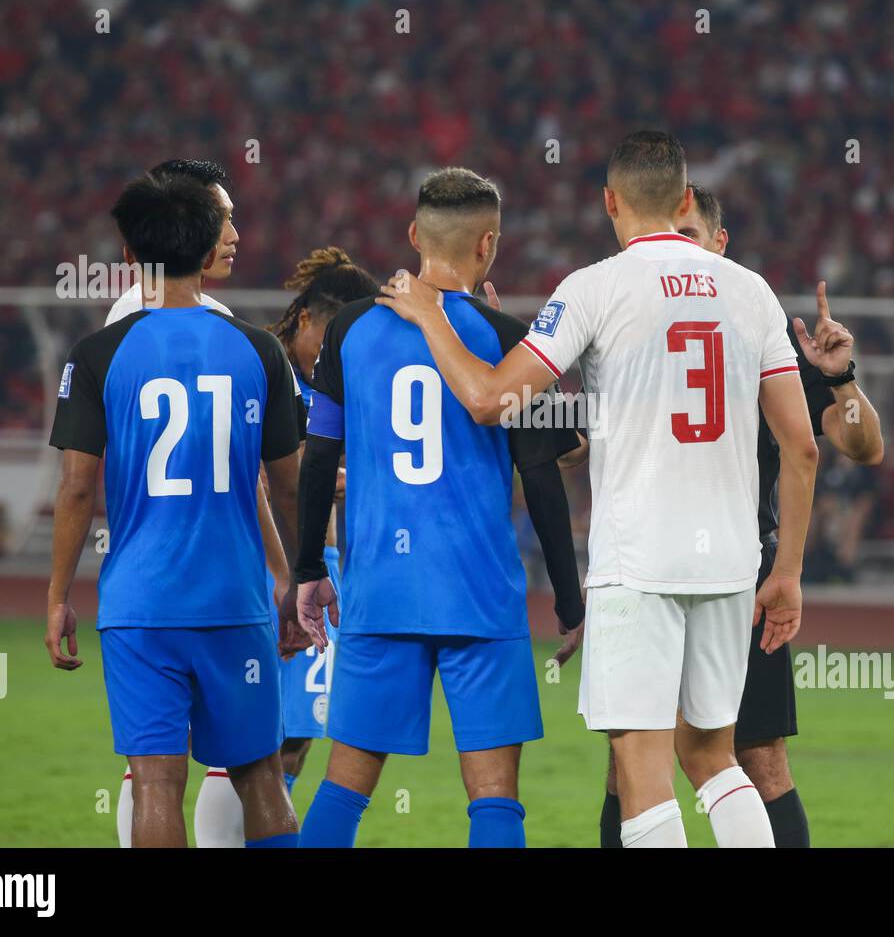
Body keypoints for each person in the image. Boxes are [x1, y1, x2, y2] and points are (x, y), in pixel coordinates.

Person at [376, 132, 818, 848]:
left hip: (638, 563)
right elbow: (800, 445)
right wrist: (789, 570)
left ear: (609, 200)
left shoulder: (594, 288)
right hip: (733, 564)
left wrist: (430, 315)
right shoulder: (751, 291)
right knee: (714, 757)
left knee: (641, 766)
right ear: (683, 201)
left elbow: (492, 401)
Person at [291, 168, 584, 847]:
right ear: (489, 245)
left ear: (414, 234)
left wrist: (310, 566)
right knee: (493, 798)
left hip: (380, 591)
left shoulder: (350, 330)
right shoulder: (508, 336)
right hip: (478, 589)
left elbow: (317, 458)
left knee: (344, 783)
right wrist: (569, 600)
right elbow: (543, 480)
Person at [590, 183, 884, 847]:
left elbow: (862, 443)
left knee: (760, 759)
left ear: (720, 245)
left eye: (689, 237)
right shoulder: (630, 325)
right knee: (628, 761)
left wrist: (841, 381)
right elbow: (586, 447)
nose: (677, 256)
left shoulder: (758, 324)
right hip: (644, 565)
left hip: (737, 570)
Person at [46, 170, 303, 847]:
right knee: (261, 780)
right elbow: (285, 484)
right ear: (203, 245)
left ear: (130, 258)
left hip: (141, 603)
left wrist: (56, 596)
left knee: (155, 783)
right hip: (235, 601)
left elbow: (76, 487)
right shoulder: (260, 350)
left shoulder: (99, 354)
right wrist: (301, 579)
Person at [265, 247, 380, 792]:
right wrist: (365, 477)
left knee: (301, 733)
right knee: (263, 733)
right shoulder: (268, 372)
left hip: (324, 566)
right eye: (328, 340)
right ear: (304, 317)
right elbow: (274, 482)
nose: (333, 355)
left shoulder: (342, 383)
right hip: (272, 566)